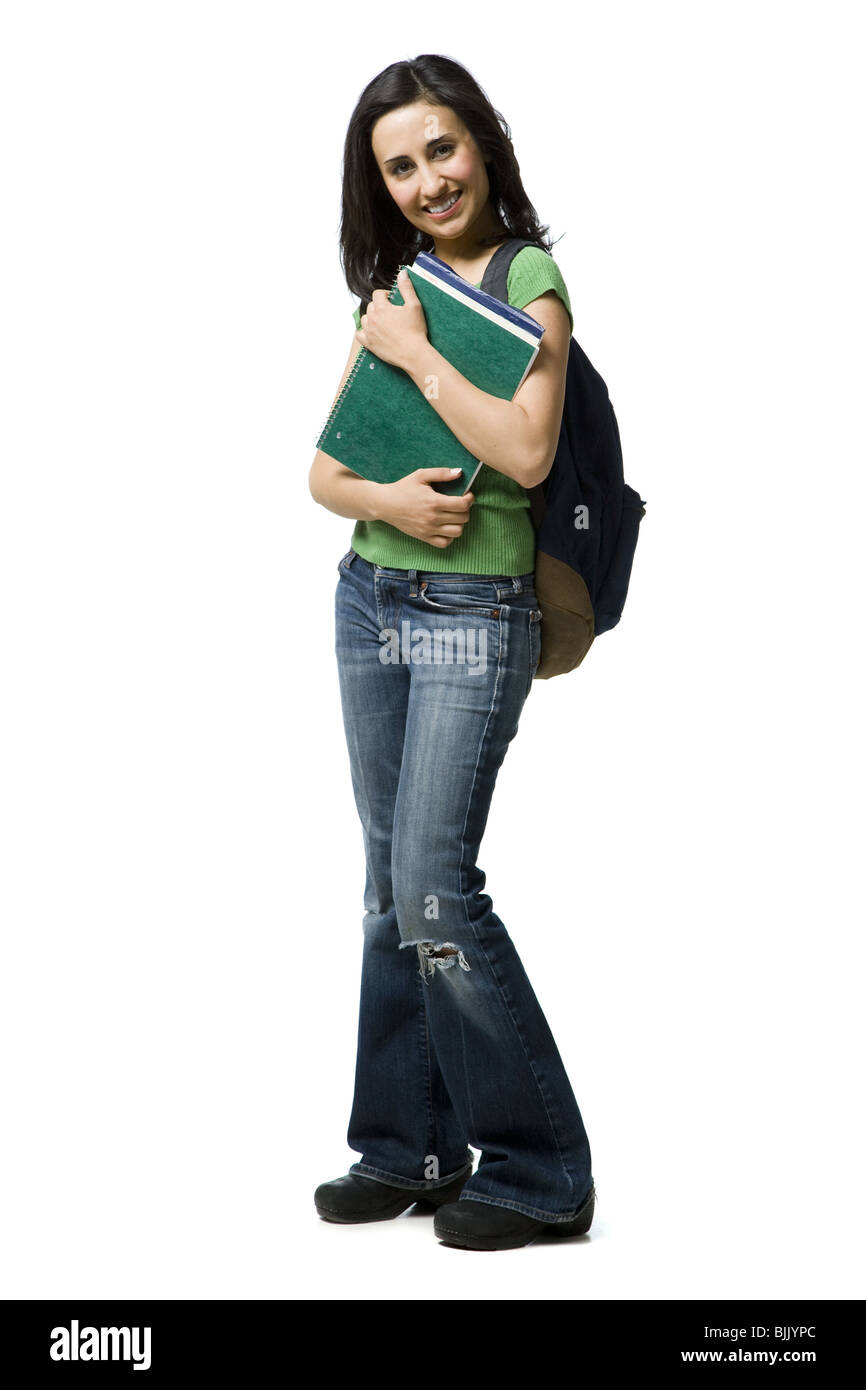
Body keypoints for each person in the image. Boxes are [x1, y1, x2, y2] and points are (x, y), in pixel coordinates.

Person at [308, 54, 596, 1251]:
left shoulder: (525, 277)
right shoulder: (394, 290)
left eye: (440, 149)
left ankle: (538, 1168)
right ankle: (406, 1147)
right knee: (390, 886)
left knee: (434, 881)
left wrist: (421, 353)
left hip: (474, 615)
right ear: (376, 187)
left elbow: (526, 452)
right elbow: (324, 473)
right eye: (398, 166)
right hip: (370, 596)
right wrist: (391, 498)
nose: (427, 180)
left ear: (479, 144)